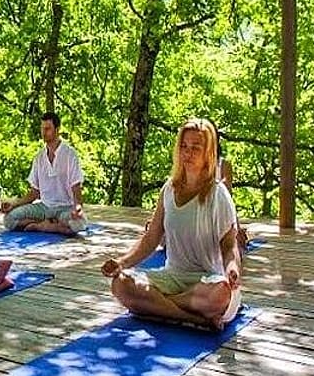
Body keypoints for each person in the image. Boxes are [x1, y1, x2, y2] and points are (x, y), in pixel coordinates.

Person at [100, 117, 242, 330]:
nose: (188, 153)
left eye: (195, 148)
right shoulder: (169, 189)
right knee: (121, 284)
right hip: (172, 277)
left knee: (221, 295)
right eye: (184, 146)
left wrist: (232, 269)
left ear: (208, 153)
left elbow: (229, 245)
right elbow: (151, 238)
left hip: (207, 282)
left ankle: (155, 305)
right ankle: (195, 319)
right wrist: (122, 263)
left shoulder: (218, 194)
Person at [0, 111, 86, 235]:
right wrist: (14, 204)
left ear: (57, 130)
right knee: (8, 219)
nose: (43, 132)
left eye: (47, 129)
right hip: (43, 208)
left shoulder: (70, 154)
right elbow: (34, 193)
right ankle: (49, 224)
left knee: (78, 223)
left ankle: (45, 226)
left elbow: (76, 187)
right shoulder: (39, 157)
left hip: (65, 208)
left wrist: (78, 208)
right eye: (42, 129)